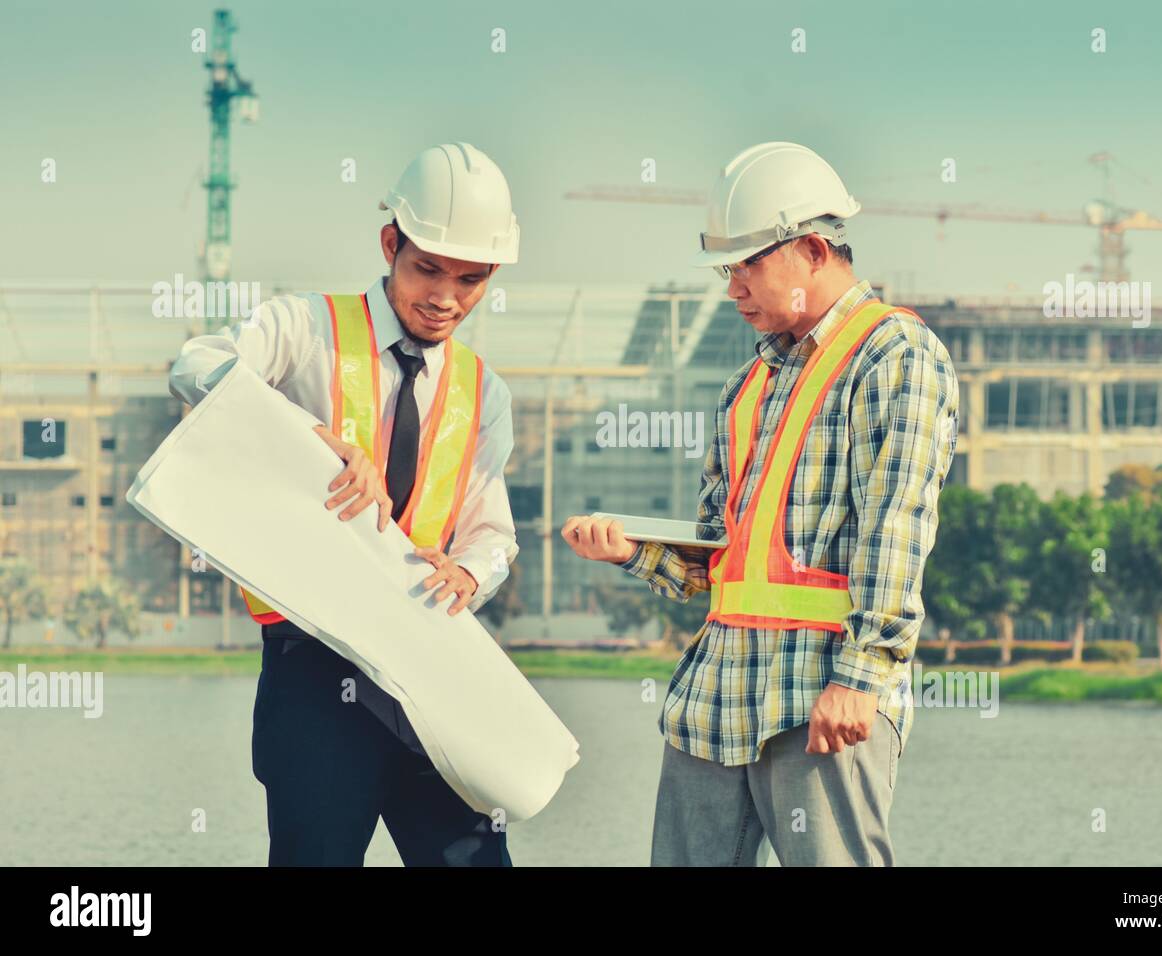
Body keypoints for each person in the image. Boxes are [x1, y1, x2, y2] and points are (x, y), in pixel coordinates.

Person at [562, 142, 960, 866]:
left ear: (811, 249)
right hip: (715, 697)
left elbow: (896, 522)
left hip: (819, 697)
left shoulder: (896, 354)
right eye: (726, 269)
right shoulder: (746, 387)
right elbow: (722, 565)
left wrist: (861, 674)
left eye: (747, 265)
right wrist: (633, 552)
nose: (732, 288)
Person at [168, 143, 521, 866]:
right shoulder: (306, 329)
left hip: (429, 668)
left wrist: (468, 574)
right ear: (390, 243)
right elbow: (193, 366)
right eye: (427, 268)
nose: (445, 297)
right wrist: (309, 438)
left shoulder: (485, 392)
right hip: (314, 669)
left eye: (471, 278)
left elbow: (492, 533)